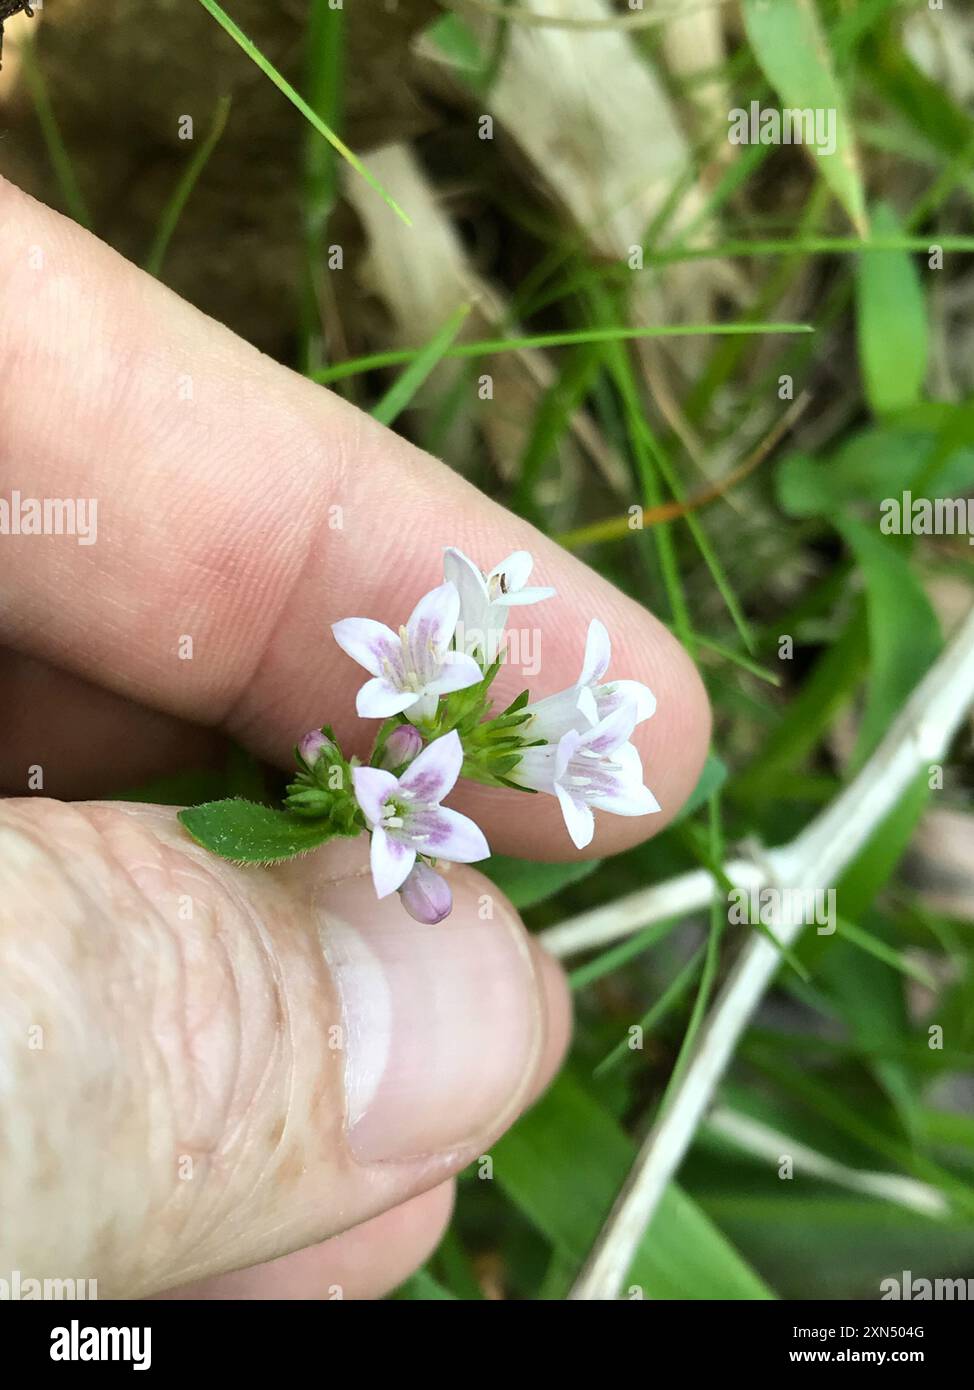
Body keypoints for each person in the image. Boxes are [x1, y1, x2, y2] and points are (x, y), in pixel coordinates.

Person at [0, 174, 711, 1298]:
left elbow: (424, 787)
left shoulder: (443, 753)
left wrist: (401, 778)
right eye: (397, 806)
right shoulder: (411, 740)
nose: (403, 806)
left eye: (402, 809)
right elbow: (379, 800)